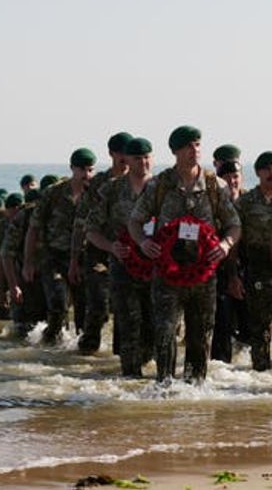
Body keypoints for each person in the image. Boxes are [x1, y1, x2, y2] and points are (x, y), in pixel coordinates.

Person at [129, 126, 241, 385]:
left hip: (204, 275)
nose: (195, 151)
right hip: (167, 275)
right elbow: (135, 221)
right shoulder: (160, 184)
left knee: (200, 335)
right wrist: (144, 243)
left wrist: (225, 245)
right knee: (165, 332)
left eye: (198, 145)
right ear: (175, 151)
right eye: (188, 146)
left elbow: (234, 225)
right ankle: (165, 387)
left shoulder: (215, 185)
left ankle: (194, 389)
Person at [86, 137, 156, 377]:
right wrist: (111, 247)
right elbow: (91, 230)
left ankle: (148, 377)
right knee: (128, 324)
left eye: (147, 157)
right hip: (123, 267)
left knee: (154, 327)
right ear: (126, 159)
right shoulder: (112, 189)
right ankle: (130, 379)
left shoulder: (161, 188)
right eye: (138, 158)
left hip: (156, 268)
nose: (144, 162)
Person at [24, 148, 96, 344]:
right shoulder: (53, 194)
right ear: (72, 168)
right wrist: (28, 262)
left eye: (90, 170)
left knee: (85, 308)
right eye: (81, 169)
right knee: (58, 305)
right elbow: (34, 228)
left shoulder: (96, 195)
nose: (86, 174)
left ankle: (79, 351)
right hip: (53, 257)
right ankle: (49, 342)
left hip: (84, 258)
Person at [72, 131, 132, 354]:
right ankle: (88, 348)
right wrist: (74, 260)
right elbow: (81, 225)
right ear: (112, 154)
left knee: (124, 306)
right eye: (121, 154)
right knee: (99, 304)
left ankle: (119, 355)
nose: (125, 158)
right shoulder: (98, 184)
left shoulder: (140, 182)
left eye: (129, 153)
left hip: (129, 255)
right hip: (98, 253)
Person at [233, 151, 272, 371]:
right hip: (257, 268)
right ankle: (260, 378)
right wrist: (233, 275)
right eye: (267, 169)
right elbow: (235, 240)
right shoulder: (246, 203)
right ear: (258, 173)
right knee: (260, 329)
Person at [211, 159, 249, 363]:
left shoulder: (250, 201)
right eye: (227, 177)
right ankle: (220, 369)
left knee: (250, 324)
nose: (232, 181)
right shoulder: (212, 204)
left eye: (236, 176)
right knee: (222, 322)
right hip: (219, 270)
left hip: (248, 270)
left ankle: (249, 371)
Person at [1, 188, 48, 336]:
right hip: (26, 279)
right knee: (23, 329)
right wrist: (13, 286)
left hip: (50, 278)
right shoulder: (24, 217)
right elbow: (6, 254)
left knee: (55, 326)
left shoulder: (58, 213)